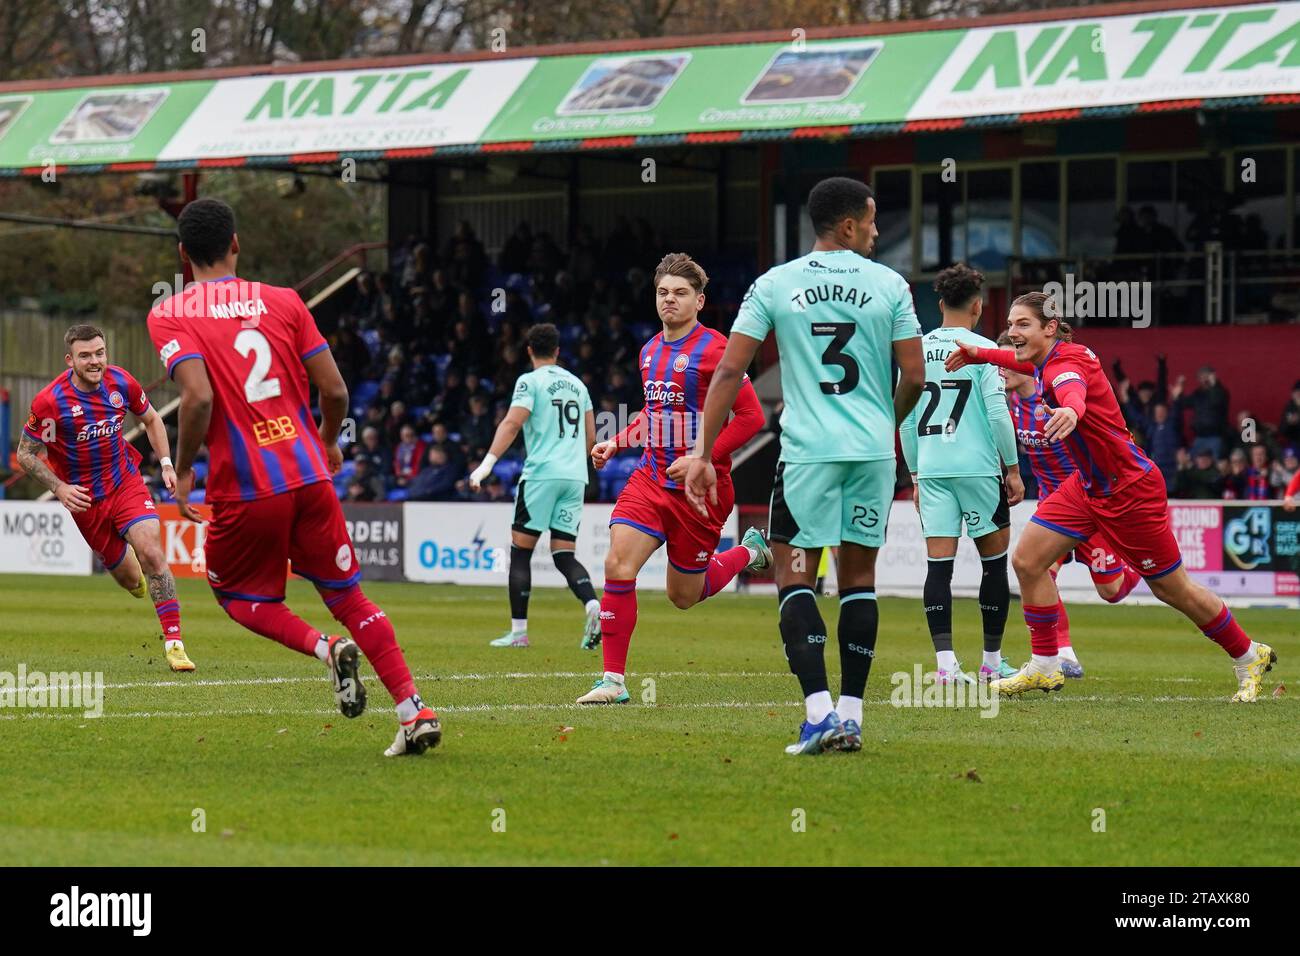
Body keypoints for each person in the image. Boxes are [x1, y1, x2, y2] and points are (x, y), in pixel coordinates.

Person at [147, 197, 441, 756]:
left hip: (247, 486)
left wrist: (183, 471)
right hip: (308, 475)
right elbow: (334, 391)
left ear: (183, 255)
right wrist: (328, 440)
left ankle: (326, 651)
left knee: (234, 594)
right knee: (350, 595)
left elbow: (198, 396)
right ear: (237, 243)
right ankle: (412, 709)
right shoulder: (284, 301)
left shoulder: (171, 313)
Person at [685, 177, 925, 755]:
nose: (875, 230)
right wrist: (883, 424)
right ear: (847, 225)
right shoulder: (891, 284)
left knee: (795, 575)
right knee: (859, 581)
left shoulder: (774, 283)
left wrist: (701, 453)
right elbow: (915, 376)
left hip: (806, 457)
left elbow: (726, 373)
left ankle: (818, 712)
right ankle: (852, 716)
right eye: (871, 220)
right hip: (870, 455)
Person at [945, 292, 1274, 702]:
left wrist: (1071, 411)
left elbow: (1072, 390)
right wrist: (978, 353)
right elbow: (1019, 362)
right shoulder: (1050, 357)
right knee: (1028, 560)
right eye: (1010, 324)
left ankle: (1248, 654)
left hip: (1129, 491)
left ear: (1049, 327)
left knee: (1174, 590)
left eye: (1022, 324)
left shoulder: (1065, 365)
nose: (1012, 332)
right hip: (1086, 486)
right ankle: (1046, 665)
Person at [577, 252, 768, 706]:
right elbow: (653, 413)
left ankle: (749, 551)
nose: (670, 300)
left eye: (680, 293)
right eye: (663, 293)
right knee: (616, 566)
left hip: (701, 492)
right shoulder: (648, 351)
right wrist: (617, 440)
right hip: (650, 479)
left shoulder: (719, 349)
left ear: (699, 301)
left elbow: (751, 416)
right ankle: (613, 682)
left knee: (683, 595)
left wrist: (702, 456)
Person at [18, 324, 196, 672]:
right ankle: (135, 577)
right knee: (132, 581)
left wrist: (166, 464)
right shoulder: (50, 401)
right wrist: (59, 488)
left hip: (124, 482)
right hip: (85, 500)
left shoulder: (121, 383)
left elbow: (152, 419)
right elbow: (26, 453)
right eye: (86, 355)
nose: (95, 361)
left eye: (100, 353)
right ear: (70, 360)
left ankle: (175, 644)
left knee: (151, 550)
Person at [899, 265, 1024, 685]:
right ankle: (991, 662)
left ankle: (946, 665)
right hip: (977, 469)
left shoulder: (914, 351)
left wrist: (915, 475)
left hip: (933, 470)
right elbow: (997, 413)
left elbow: (904, 420)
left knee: (938, 569)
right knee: (994, 566)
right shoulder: (984, 350)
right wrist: (1012, 468)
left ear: (939, 305)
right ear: (977, 306)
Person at [998, 331, 1143, 680]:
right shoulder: (1010, 404)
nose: (1001, 371)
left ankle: (1135, 570)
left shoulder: (1051, 395)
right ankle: (1063, 654)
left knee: (1110, 592)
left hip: (1090, 501)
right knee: (1038, 570)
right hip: (1053, 502)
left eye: (1007, 363)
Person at [468, 323, 602, 649]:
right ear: (557, 351)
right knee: (563, 554)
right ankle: (593, 605)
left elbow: (513, 422)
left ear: (529, 350)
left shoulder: (529, 382)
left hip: (542, 475)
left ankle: (518, 633)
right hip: (574, 478)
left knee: (520, 553)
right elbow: (591, 439)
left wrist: (486, 465)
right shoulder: (577, 385)